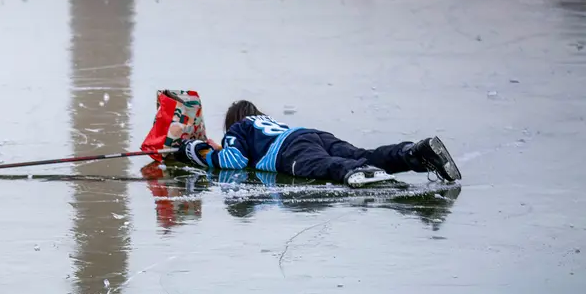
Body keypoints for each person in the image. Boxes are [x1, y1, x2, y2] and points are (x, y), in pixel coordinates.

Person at [167, 99, 462, 188]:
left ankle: (361, 172)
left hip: (288, 151)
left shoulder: (239, 129)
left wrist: (195, 151)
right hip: (311, 134)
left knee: (321, 166)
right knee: (363, 152)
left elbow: (234, 160)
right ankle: (413, 154)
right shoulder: (264, 123)